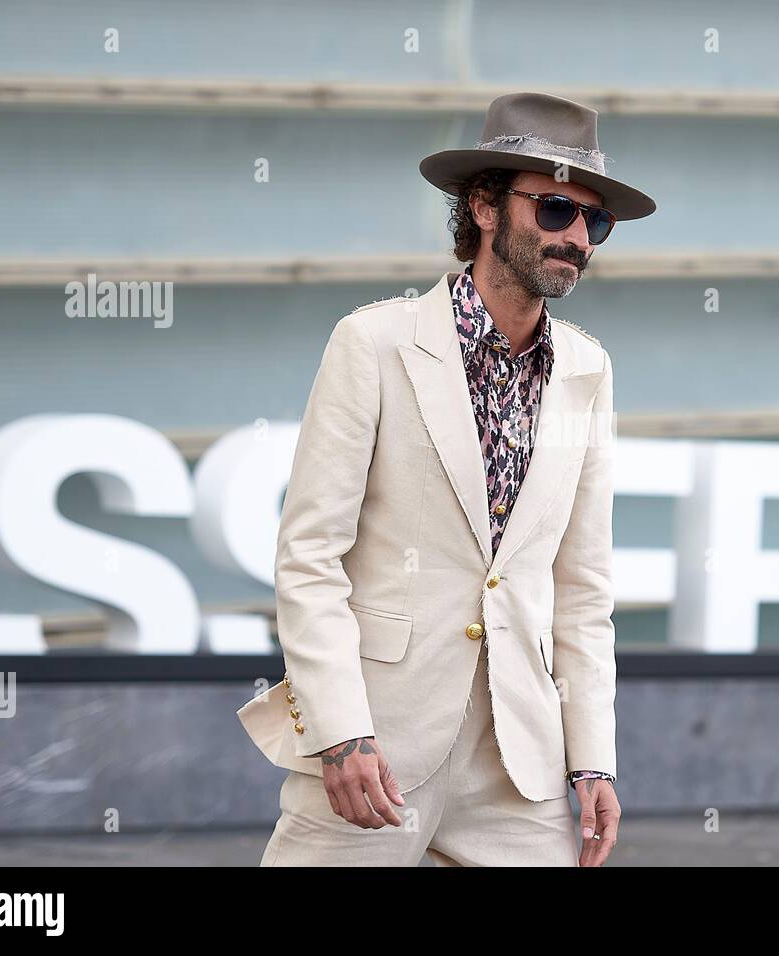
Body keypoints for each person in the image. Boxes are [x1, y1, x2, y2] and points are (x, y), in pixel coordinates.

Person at [239, 91, 656, 866]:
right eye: (557, 208)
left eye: (593, 222)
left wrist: (592, 755)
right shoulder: (375, 343)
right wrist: (340, 731)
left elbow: (583, 585)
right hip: (377, 747)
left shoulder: (587, 370)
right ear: (484, 206)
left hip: (517, 760)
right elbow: (309, 557)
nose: (575, 239)